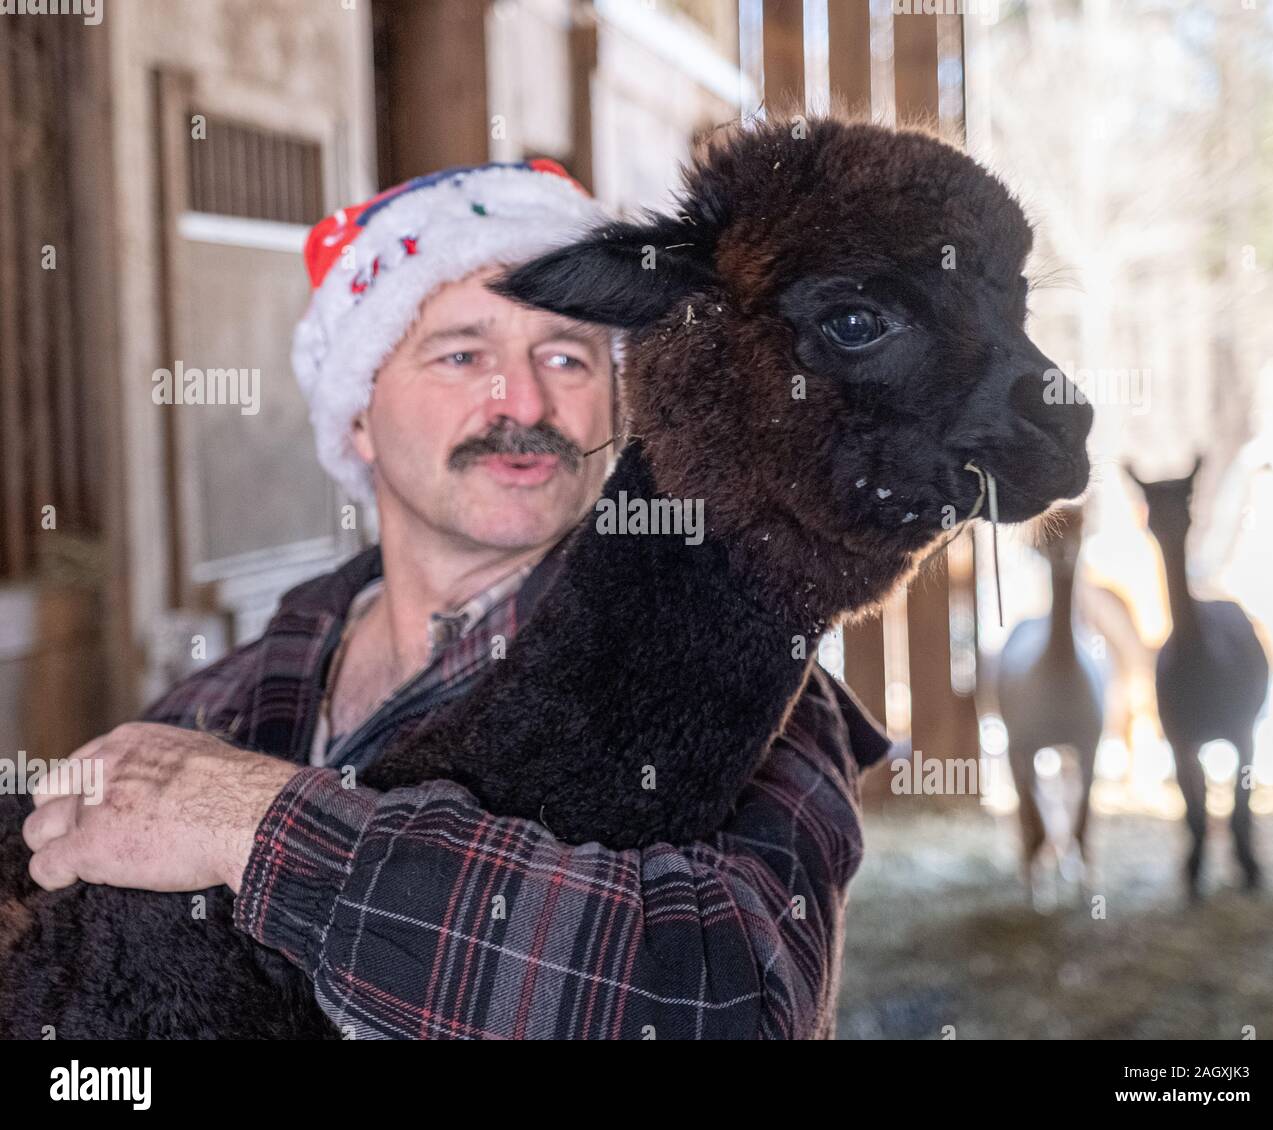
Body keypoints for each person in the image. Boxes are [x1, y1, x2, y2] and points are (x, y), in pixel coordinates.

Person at [22, 159, 890, 1038]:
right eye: (462, 354)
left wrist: (256, 823)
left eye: (567, 355)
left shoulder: (737, 676)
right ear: (358, 413)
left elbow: (726, 1008)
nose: (523, 399)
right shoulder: (217, 708)